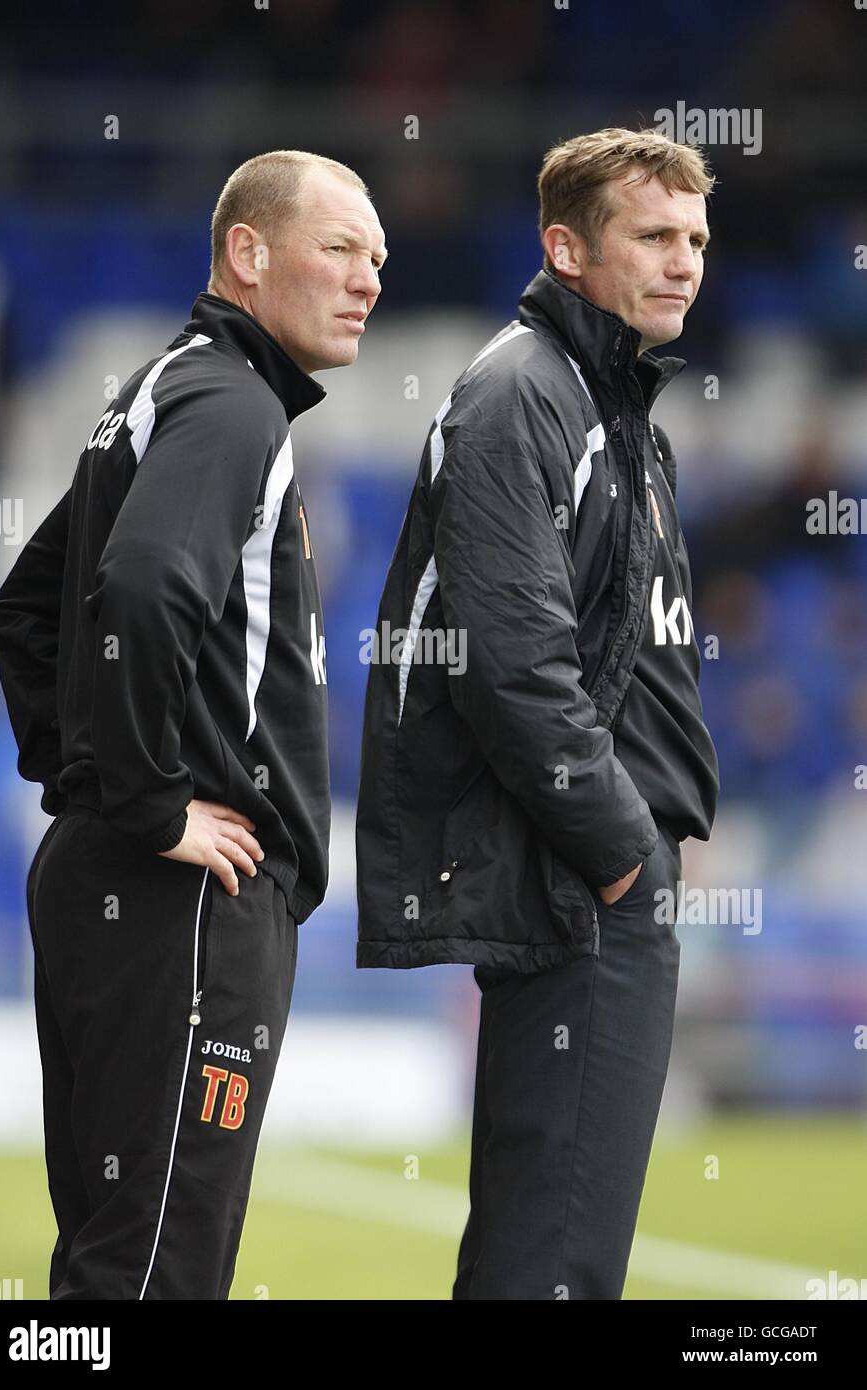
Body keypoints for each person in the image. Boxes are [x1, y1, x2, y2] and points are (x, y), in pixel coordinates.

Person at [0, 149, 386, 1300]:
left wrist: (93, 790)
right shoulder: (233, 402)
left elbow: (24, 613)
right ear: (245, 254)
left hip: (113, 881)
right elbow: (148, 583)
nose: (366, 279)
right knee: (159, 1270)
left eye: (376, 259)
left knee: (109, 1262)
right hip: (190, 901)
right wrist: (148, 800)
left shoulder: (161, 390)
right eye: (337, 249)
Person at [355, 127, 719, 1299]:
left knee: (561, 1244)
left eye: (697, 238)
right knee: (550, 1254)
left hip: (603, 872)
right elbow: (510, 662)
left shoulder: (619, 411)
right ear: (565, 249)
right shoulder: (523, 392)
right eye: (652, 236)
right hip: (578, 884)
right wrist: (621, 853)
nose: (683, 262)